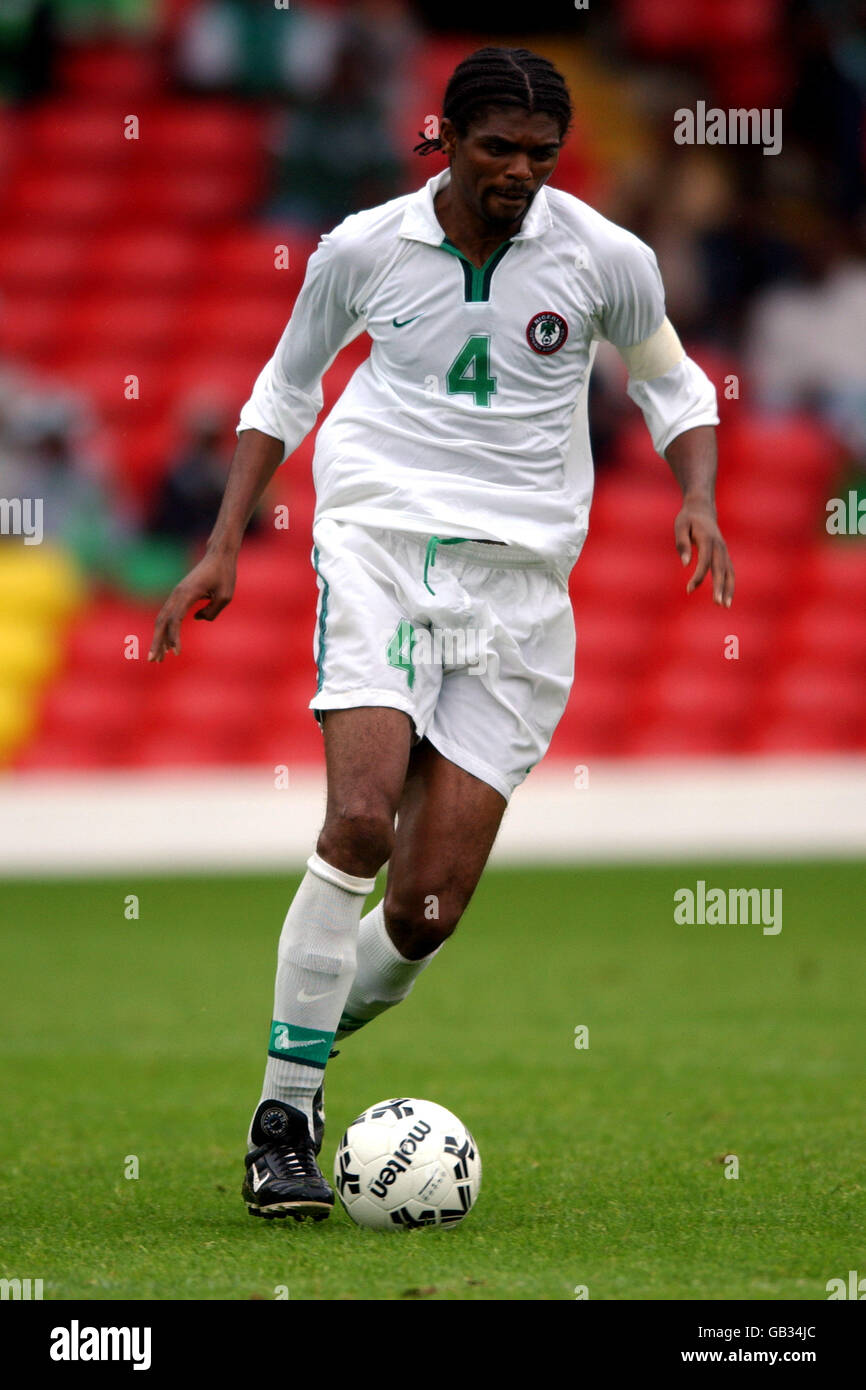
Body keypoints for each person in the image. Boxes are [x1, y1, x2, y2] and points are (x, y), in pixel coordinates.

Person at [149, 47, 734, 1224]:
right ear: (447, 140)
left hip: (521, 594)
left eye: (538, 153)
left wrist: (698, 494)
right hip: (378, 549)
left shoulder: (601, 257)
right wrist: (221, 542)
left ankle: (306, 1027)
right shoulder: (363, 248)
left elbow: (672, 382)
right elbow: (284, 386)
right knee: (358, 818)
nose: (519, 171)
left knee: (421, 915)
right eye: (496, 148)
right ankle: (284, 1113)